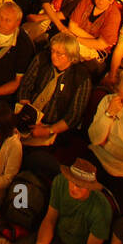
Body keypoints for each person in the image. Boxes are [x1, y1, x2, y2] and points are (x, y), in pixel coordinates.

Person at [20, 160, 112, 244]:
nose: (74, 188)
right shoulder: (60, 181)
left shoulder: (102, 208)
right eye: (72, 182)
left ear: (89, 187)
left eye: (79, 186)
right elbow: (50, 220)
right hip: (57, 238)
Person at [16, 32, 91, 161]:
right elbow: (25, 85)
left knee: (35, 158)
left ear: (71, 57)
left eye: (59, 54)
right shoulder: (42, 59)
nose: (53, 56)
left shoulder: (81, 78)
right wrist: (25, 111)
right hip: (27, 114)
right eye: (52, 51)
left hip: (52, 127)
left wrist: (48, 130)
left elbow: (73, 116)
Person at [67, 0, 123, 64]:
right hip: (79, 41)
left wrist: (77, 38)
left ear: (111, 0)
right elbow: (72, 26)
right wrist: (95, 40)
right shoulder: (87, 1)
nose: (101, 0)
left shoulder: (114, 15)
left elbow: (102, 44)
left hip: (96, 52)